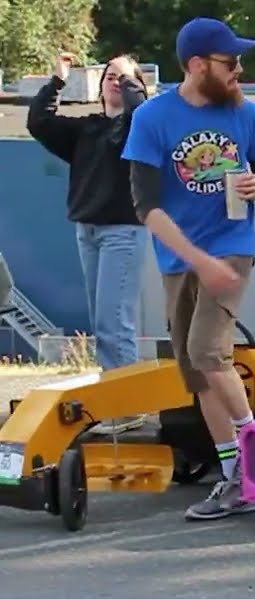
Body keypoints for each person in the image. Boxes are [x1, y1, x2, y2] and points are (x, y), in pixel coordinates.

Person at [122, 17, 255, 521]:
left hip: (232, 246)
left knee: (209, 353)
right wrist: (198, 261)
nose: (239, 71)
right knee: (198, 371)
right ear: (196, 65)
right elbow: (147, 208)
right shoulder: (153, 118)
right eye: (230, 63)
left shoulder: (245, 113)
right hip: (182, 256)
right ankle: (234, 475)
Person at [27, 51, 150, 434]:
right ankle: (115, 401)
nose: (114, 81)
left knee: (115, 322)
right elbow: (39, 122)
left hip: (122, 231)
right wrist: (58, 80)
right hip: (89, 230)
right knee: (102, 322)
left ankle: (128, 407)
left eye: (124, 78)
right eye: (109, 75)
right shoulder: (87, 130)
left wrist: (132, 82)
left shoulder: (138, 128)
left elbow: (140, 115)